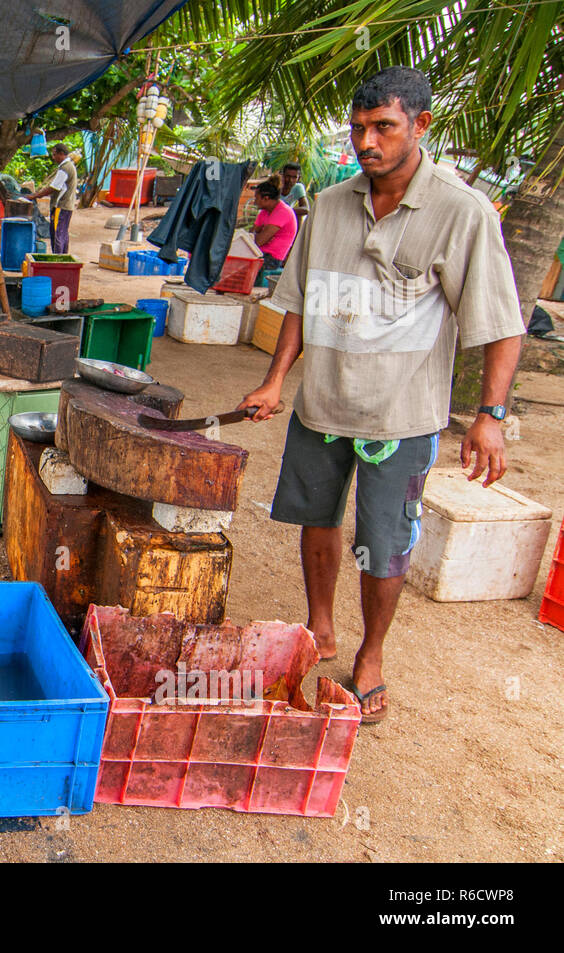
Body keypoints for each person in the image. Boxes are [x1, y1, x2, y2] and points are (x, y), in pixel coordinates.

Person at [238, 67, 524, 724]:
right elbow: (298, 306)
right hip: (323, 404)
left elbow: (501, 326)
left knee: (383, 543)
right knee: (317, 519)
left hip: (402, 416)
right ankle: (320, 625)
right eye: (359, 127)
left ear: (421, 126)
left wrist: (491, 417)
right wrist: (277, 378)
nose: (368, 141)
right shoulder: (330, 205)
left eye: (384, 127)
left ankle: (370, 654)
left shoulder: (462, 212)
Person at [23, 142, 79, 254]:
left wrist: (35, 195)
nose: (53, 158)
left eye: (54, 155)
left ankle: (57, 258)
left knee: (57, 234)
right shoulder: (69, 166)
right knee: (63, 233)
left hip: (61, 206)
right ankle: (62, 257)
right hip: (67, 206)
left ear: (61, 154)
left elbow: (53, 187)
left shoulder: (65, 168)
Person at [251, 177, 297, 273]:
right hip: (260, 253)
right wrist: (257, 236)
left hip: (271, 258)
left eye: (256, 198)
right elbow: (251, 235)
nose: (254, 201)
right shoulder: (264, 211)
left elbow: (258, 241)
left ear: (266, 198)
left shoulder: (282, 212)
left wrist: (258, 235)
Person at [279, 161, 310, 228]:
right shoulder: (276, 186)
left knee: (298, 215)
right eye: (288, 176)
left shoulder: (298, 188)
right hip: (273, 216)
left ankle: (297, 238)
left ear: (299, 178)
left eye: (294, 177)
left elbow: (306, 209)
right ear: (283, 175)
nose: (290, 180)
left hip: (285, 216)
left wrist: (286, 211)